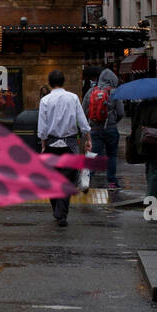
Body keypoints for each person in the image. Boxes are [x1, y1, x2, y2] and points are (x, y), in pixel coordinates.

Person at [36, 69, 91, 227]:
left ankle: (57, 210)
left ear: (50, 82)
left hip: (52, 143)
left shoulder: (45, 100)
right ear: (63, 81)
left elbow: (42, 125)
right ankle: (62, 214)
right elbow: (82, 121)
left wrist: (43, 143)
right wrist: (88, 138)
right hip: (70, 144)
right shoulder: (73, 98)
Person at [82, 67, 125, 190]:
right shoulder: (114, 92)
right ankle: (112, 182)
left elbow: (83, 111)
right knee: (111, 155)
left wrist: (88, 125)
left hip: (95, 128)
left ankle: (86, 180)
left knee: (93, 154)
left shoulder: (91, 92)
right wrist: (113, 121)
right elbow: (121, 112)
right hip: (111, 128)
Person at [130, 94, 157, 208]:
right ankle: (151, 197)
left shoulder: (141, 106)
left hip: (144, 142)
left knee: (149, 166)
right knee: (155, 170)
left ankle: (152, 192)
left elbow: (134, 124)